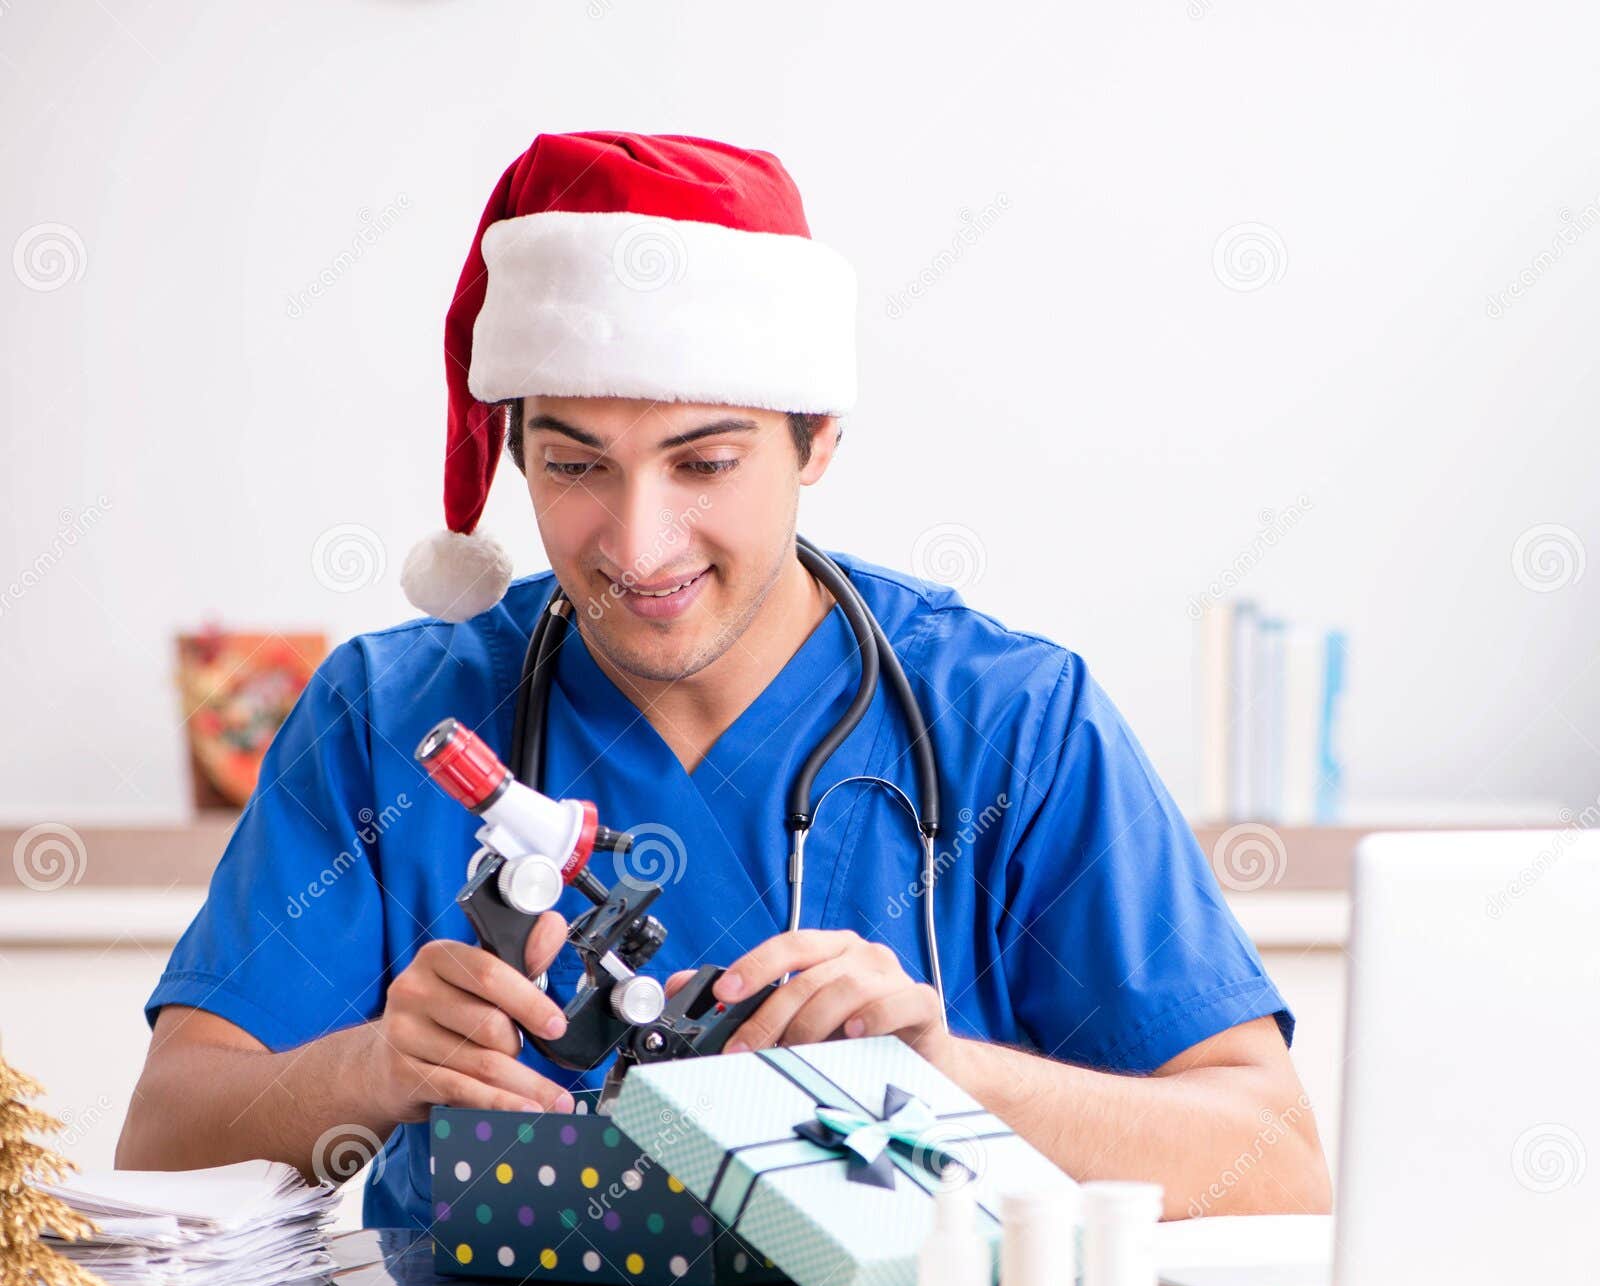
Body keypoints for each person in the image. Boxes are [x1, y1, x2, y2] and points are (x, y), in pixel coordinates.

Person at [117, 132, 1329, 1225]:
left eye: (702, 462)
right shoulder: (394, 719)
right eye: (574, 464)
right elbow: (163, 1137)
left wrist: (951, 1080)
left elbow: (1270, 1161)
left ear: (819, 439)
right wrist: (365, 1072)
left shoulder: (1010, 722)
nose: (637, 547)